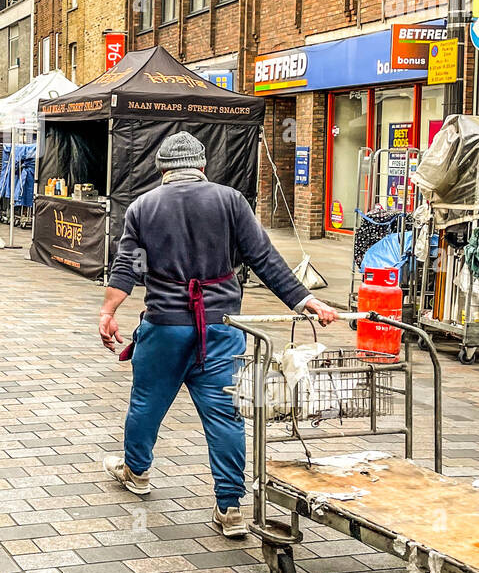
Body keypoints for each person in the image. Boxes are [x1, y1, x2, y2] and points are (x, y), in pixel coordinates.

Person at [98, 130, 337, 538]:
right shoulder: (230, 201)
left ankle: (136, 472)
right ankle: (229, 508)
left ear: (161, 170)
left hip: (165, 328)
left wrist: (108, 311)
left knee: (146, 405)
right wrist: (304, 301)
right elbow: (264, 257)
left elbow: (129, 267)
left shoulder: (142, 207)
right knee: (227, 415)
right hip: (222, 330)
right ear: (203, 167)